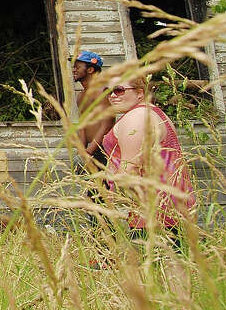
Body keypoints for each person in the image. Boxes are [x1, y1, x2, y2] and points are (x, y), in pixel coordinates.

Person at [103, 76, 195, 244]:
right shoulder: (154, 113)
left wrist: (115, 207)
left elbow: (129, 171)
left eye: (119, 90)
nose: (112, 96)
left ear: (139, 93)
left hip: (149, 214)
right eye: (108, 91)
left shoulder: (136, 117)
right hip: (171, 210)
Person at [73, 51, 113, 184]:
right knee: (92, 190)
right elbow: (83, 125)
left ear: (90, 70)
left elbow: (107, 125)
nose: (74, 70)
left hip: (104, 150)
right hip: (92, 150)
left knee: (104, 191)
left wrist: (89, 151)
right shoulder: (81, 96)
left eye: (77, 67)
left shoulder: (102, 91)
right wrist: (81, 152)